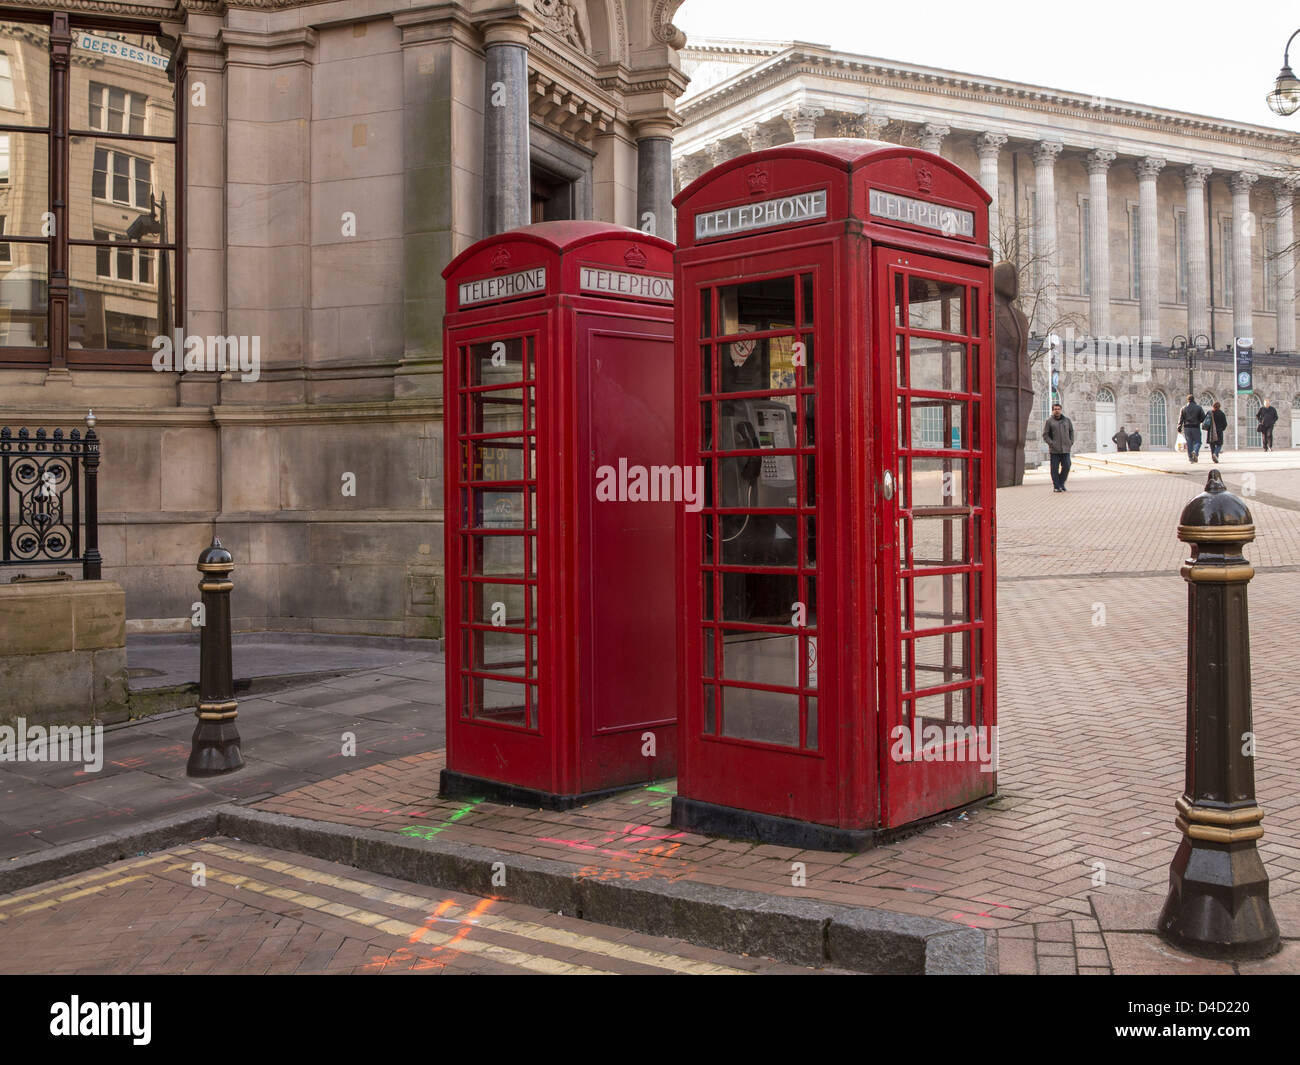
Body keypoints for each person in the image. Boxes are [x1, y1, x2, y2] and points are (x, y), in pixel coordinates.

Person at [1042, 402, 1074, 492]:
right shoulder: (1049, 421)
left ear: (1061, 410)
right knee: (1054, 469)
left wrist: (1071, 442)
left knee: (1067, 465)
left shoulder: (1067, 421)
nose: (1057, 411)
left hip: (1065, 449)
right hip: (1054, 450)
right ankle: (1056, 486)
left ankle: (1061, 483)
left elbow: (1071, 431)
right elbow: (1045, 435)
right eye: (1055, 409)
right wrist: (1051, 443)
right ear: (1053, 411)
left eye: (1058, 409)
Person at [1178, 394, 1205, 463]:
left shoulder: (1183, 408)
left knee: (1189, 443)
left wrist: (1179, 427)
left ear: (1188, 400)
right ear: (1194, 399)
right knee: (1198, 442)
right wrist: (1199, 421)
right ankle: (1195, 451)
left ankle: (1191, 458)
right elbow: (1203, 418)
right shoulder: (1199, 408)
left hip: (1187, 428)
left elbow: (1181, 419)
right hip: (1195, 427)